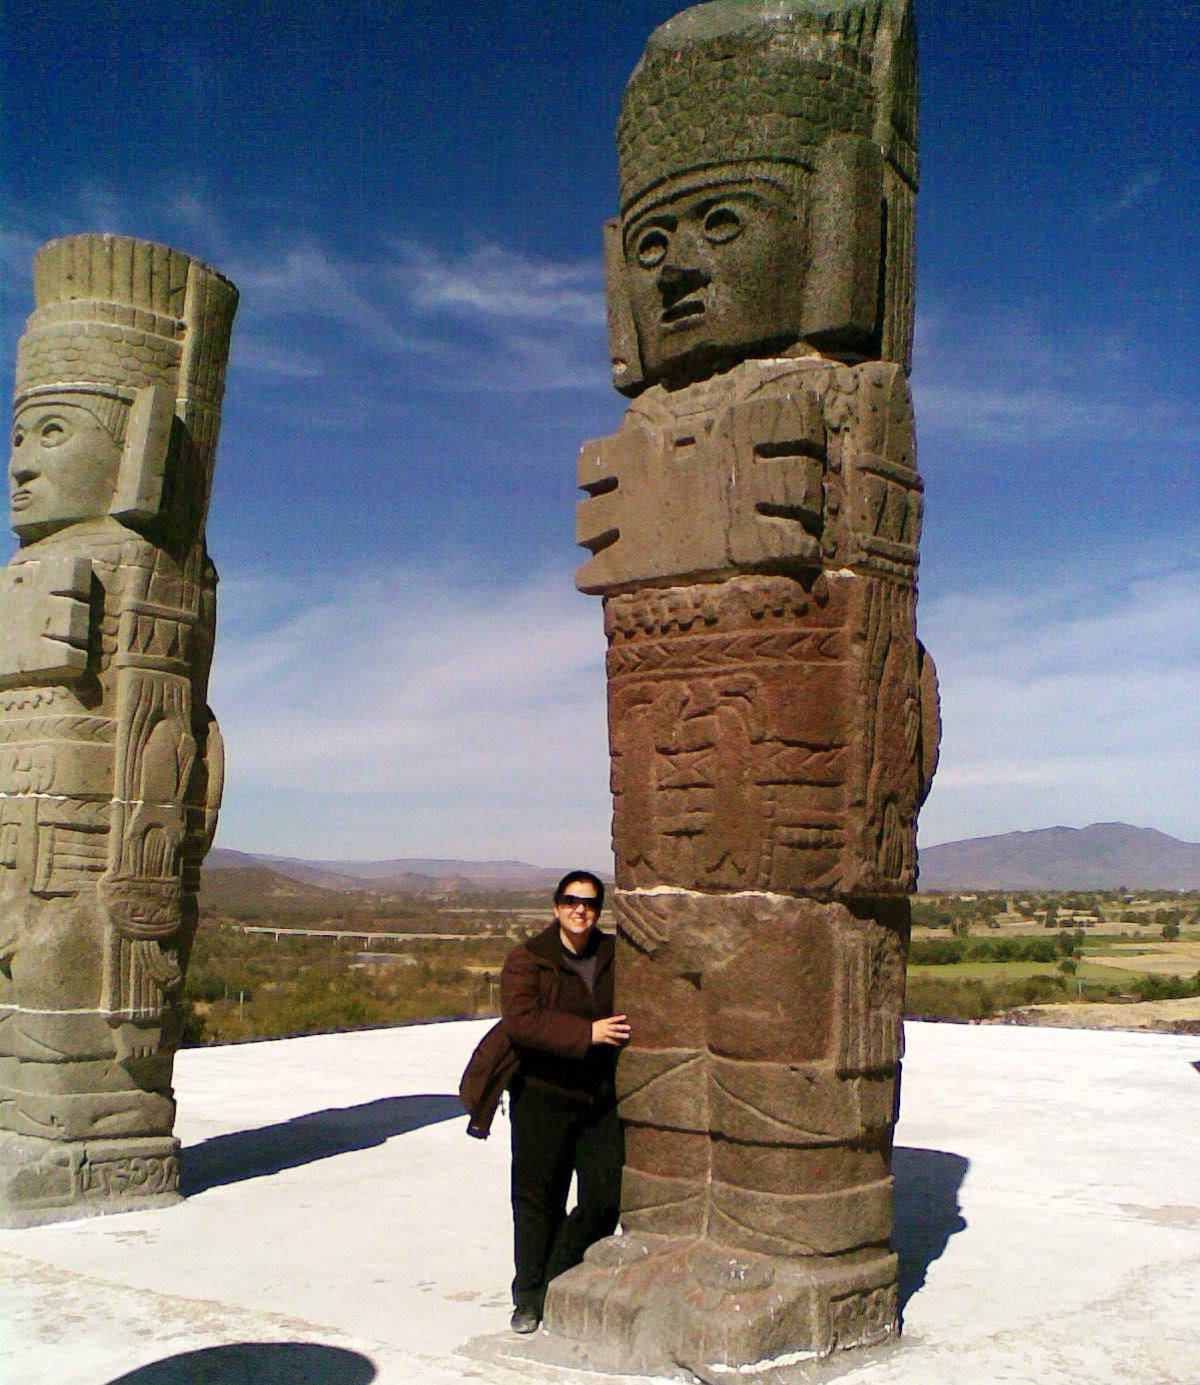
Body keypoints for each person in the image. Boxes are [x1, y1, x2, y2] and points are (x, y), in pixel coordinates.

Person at [499, 870, 630, 1334]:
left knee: (604, 1198)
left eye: (591, 903)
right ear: (557, 907)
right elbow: (521, 1022)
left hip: (598, 1097)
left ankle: (556, 1275)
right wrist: (587, 1033)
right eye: (573, 901)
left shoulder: (615, 955)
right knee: (539, 1200)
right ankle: (529, 1296)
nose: (582, 910)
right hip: (543, 1096)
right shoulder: (529, 959)